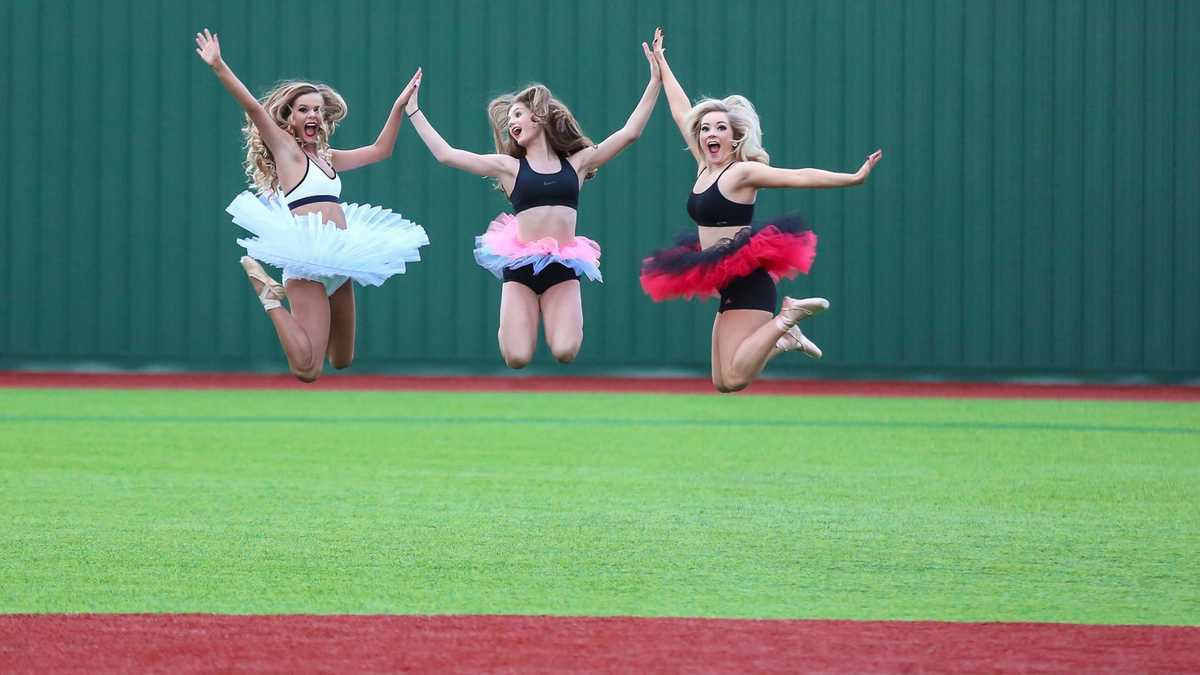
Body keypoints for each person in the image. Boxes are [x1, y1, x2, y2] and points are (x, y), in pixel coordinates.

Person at [641, 29, 882, 392]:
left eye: (720, 127)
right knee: (721, 381)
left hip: (747, 279)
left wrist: (852, 178)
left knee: (735, 379)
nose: (710, 133)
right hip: (721, 279)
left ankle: (787, 317)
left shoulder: (741, 172)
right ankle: (784, 338)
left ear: (734, 137)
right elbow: (680, 110)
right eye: (705, 128)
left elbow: (798, 176)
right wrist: (662, 63)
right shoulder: (704, 166)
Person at [403, 37, 661, 368]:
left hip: (564, 264)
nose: (511, 123)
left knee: (565, 351)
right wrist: (413, 110)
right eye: (509, 118)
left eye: (518, 114)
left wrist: (655, 82)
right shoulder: (510, 168)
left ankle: (546, 313)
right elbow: (447, 155)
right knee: (517, 357)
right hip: (521, 265)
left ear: (539, 118)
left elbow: (630, 133)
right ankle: (514, 321)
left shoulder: (578, 163)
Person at [195, 29, 428, 382]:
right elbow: (253, 107)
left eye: (317, 110)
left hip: (340, 256)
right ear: (289, 116)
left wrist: (400, 106)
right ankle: (269, 295)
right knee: (307, 370)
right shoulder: (286, 151)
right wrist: (218, 65)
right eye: (303, 109)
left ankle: (282, 302)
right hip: (306, 259)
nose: (312, 115)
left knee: (342, 359)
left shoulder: (327, 157)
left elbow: (381, 150)